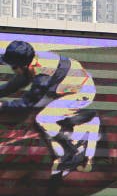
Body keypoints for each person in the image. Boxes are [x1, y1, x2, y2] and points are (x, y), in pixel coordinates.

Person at [0, 40, 96, 176]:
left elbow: (27, 103)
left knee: (43, 119)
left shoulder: (42, 73)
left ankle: (74, 153)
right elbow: (13, 85)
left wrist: (4, 105)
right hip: (63, 83)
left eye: (14, 66)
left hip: (81, 91)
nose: (12, 69)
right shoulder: (30, 62)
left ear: (22, 64)